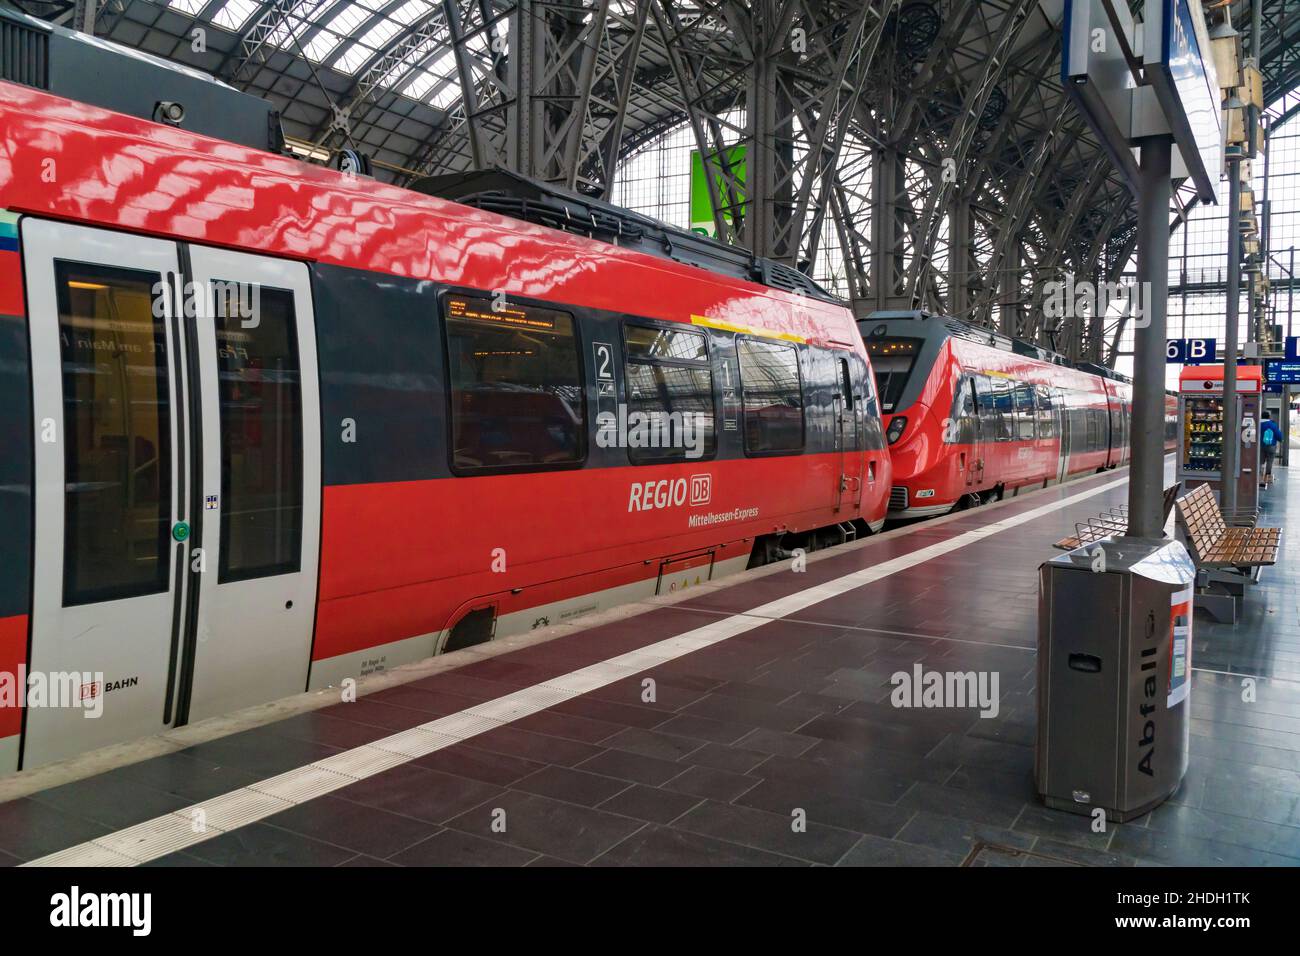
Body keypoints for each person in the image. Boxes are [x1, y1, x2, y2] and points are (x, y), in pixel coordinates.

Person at [1260, 410, 1283, 484]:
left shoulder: (1258, 423)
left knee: (1260, 461)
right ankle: (1267, 476)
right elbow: (1278, 435)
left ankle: (1259, 475)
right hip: (1271, 446)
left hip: (1260, 446)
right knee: (1270, 461)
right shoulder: (1272, 424)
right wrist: (1280, 439)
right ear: (1269, 416)